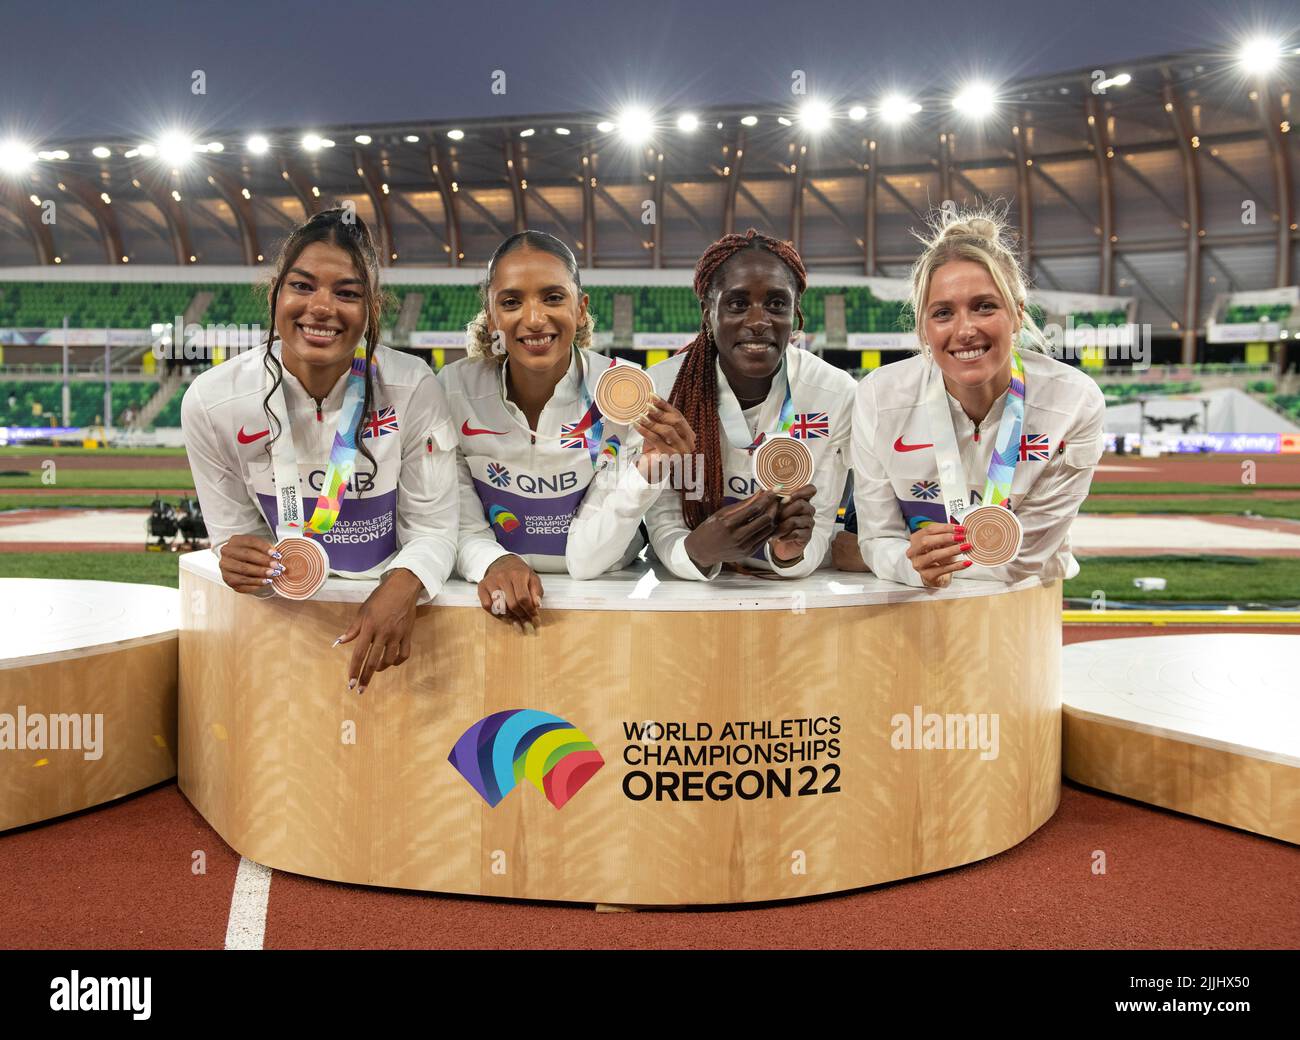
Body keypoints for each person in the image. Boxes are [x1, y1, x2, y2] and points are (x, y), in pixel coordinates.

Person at [181, 207, 459, 693]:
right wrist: (235, 556)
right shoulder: (211, 400)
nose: (322, 307)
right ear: (275, 294)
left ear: (372, 308)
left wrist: (404, 582)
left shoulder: (413, 386)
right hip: (283, 624)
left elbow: (434, 528)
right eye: (303, 286)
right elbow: (234, 534)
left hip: (396, 615)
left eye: (347, 293)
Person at [438, 230, 694, 629]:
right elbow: (458, 518)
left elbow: (587, 560)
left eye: (553, 297)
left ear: (580, 308)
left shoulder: (627, 392)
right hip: (491, 593)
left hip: (604, 602)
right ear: (491, 317)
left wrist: (649, 472)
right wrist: (492, 560)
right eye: (511, 302)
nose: (535, 318)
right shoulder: (453, 388)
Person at [851, 207, 1105, 588]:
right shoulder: (879, 396)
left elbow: (1024, 559)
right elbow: (877, 538)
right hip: (916, 604)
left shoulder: (1074, 402)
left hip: (1022, 607)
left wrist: (899, 559)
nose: (965, 330)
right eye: (943, 313)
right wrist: (909, 565)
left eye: (984, 306)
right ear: (922, 327)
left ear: (1018, 314)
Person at [644, 229, 855, 580]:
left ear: (795, 312)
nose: (758, 321)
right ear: (708, 312)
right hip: (686, 597)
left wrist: (789, 556)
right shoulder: (664, 390)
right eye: (738, 304)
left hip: (788, 599)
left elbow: (818, 525)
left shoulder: (834, 393)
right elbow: (662, 519)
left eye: (776, 304)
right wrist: (693, 552)